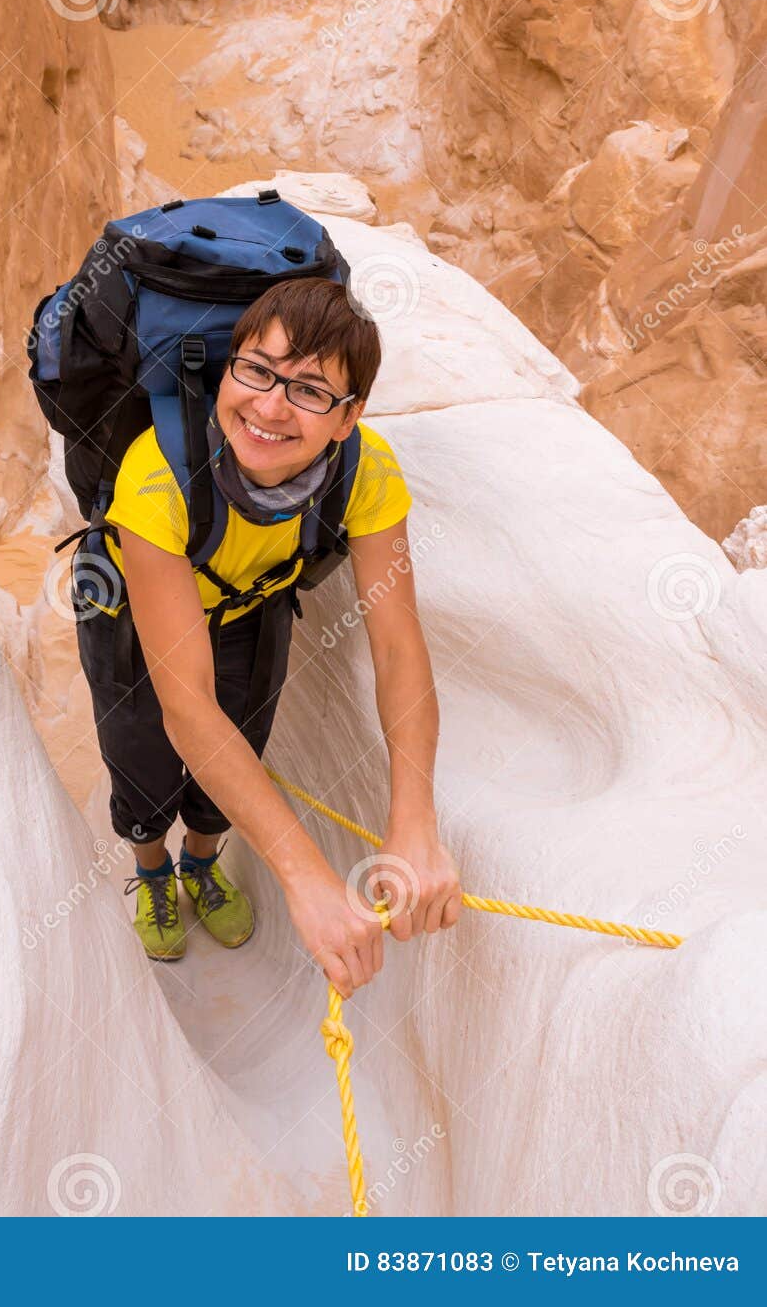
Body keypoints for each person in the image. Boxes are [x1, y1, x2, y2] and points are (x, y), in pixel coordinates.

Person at [74, 276, 461, 998]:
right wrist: (309, 879)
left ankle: (202, 859)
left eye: (311, 390)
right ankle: (153, 866)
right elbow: (186, 705)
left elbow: (398, 647)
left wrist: (415, 823)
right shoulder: (159, 475)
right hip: (132, 606)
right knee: (141, 754)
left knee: (244, 740)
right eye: (256, 370)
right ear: (229, 368)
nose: (269, 405)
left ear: (349, 418)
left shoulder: (365, 471)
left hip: (250, 604)